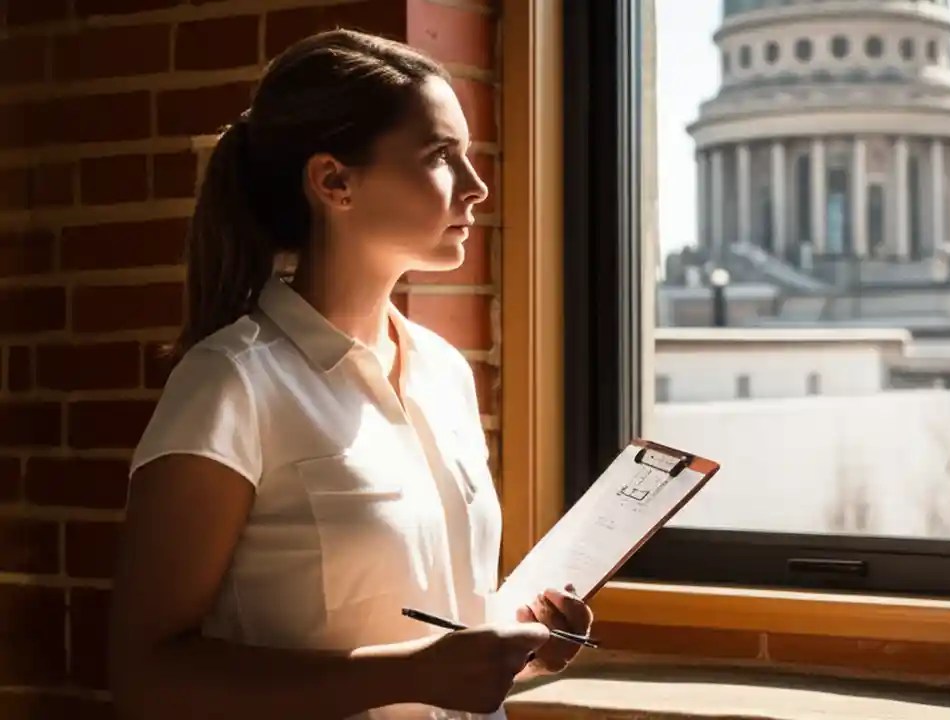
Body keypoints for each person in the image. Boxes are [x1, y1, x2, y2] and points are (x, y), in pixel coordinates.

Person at [108, 29, 591, 720]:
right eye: (440, 156)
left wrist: (514, 642)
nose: (478, 186)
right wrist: (412, 674)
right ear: (334, 180)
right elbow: (146, 678)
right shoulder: (230, 384)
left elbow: (427, 622)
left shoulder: (444, 373)